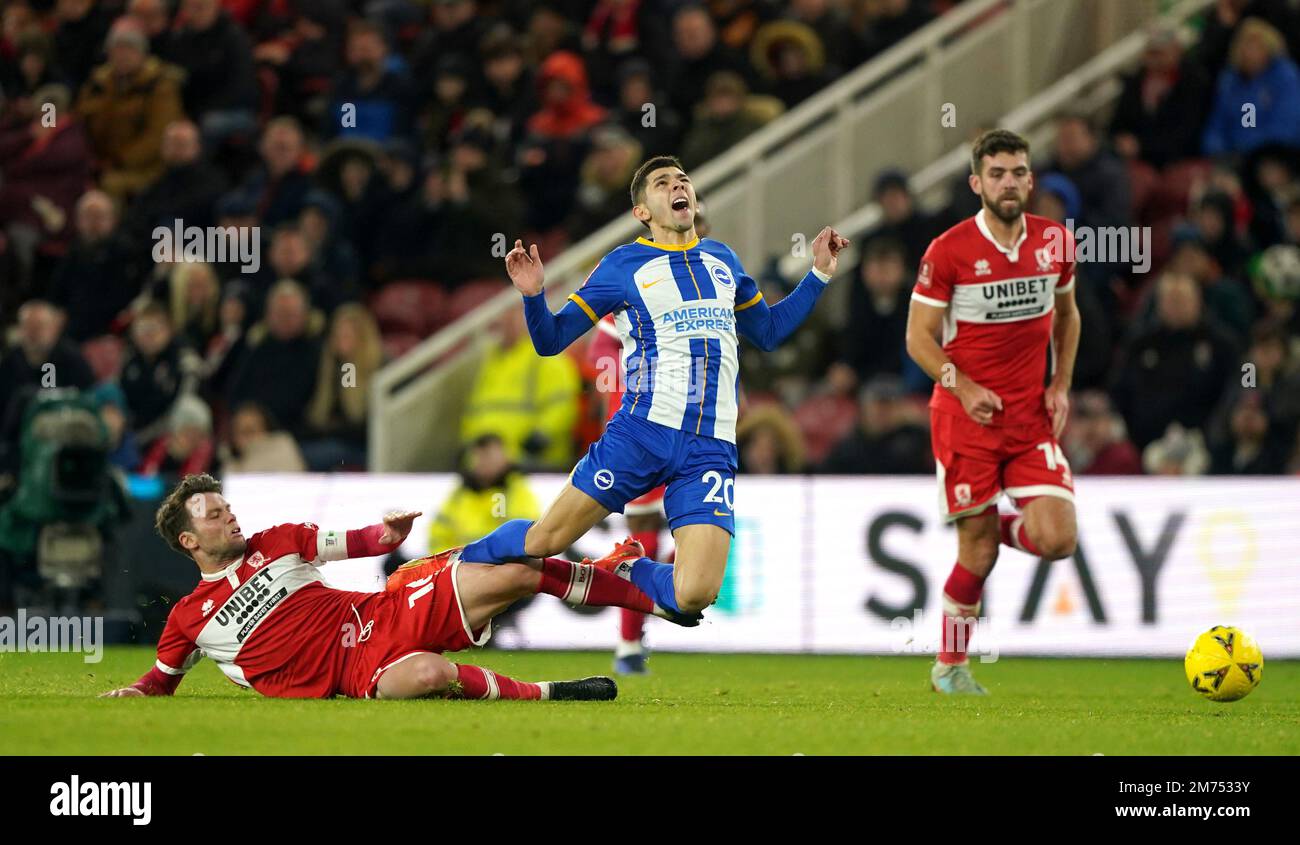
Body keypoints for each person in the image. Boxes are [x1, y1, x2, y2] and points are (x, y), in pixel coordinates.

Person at [463, 155, 847, 622]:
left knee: (694, 594)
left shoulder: (722, 260)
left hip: (710, 446)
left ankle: (627, 568)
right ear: (642, 211)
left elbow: (767, 332)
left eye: (683, 179)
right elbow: (550, 341)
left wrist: (819, 273)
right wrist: (531, 295)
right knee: (545, 541)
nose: (677, 186)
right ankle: (456, 562)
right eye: (662, 183)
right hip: (642, 433)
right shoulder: (623, 265)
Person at [99, 473, 698, 700]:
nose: (229, 516)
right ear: (187, 541)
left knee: (519, 559)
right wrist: (131, 694)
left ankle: (643, 590)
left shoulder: (278, 540)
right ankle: (549, 693)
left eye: (226, 506)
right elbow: (159, 682)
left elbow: (359, 544)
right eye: (212, 515)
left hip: (378, 617)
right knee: (428, 677)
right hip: (356, 679)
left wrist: (384, 533)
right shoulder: (188, 617)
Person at [905, 129, 1081, 694]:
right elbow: (919, 339)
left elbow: (1069, 317)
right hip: (966, 420)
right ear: (977, 183)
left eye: (1020, 172)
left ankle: (995, 525)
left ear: (1031, 180)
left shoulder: (1055, 242)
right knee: (976, 553)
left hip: (1030, 419)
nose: (1010, 183)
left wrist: (1061, 384)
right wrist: (963, 385)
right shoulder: (948, 250)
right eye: (998, 173)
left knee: (1057, 540)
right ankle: (950, 667)